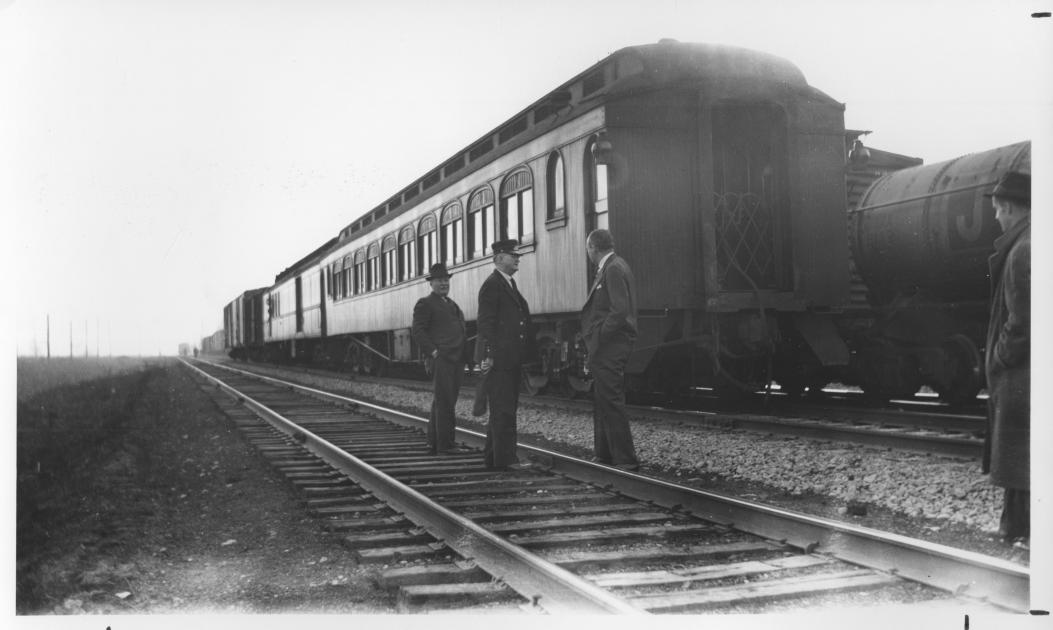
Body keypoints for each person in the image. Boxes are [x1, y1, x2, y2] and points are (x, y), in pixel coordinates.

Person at [982, 171, 1030, 546]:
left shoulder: (1022, 250)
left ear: (1011, 208)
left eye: (998, 210)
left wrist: (997, 358)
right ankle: (1014, 530)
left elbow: (1022, 322)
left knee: (1018, 457)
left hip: (1022, 376)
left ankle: (1015, 533)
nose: (997, 217)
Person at [581, 228, 640, 471]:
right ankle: (604, 453)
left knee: (611, 399)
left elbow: (619, 311)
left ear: (594, 247)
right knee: (602, 397)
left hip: (610, 345)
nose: (588, 253)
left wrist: (598, 336)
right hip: (609, 344)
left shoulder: (613, 268)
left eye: (588, 249)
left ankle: (625, 458)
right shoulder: (616, 265)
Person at [475, 239, 533, 470]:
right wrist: (489, 354)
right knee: (503, 410)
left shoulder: (506, 283)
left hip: (508, 358)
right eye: (512, 255)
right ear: (499, 258)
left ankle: (494, 458)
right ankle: (505, 460)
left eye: (517, 255)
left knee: (503, 409)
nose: (517, 258)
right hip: (500, 359)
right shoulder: (493, 285)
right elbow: (485, 323)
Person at [411, 263, 469, 455]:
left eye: (446, 280)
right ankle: (446, 446)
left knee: (444, 401)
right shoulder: (425, 303)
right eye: (439, 281)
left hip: (456, 359)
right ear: (431, 283)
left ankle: (434, 443)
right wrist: (433, 352)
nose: (444, 283)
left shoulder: (451, 304)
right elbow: (418, 331)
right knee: (444, 402)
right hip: (442, 358)